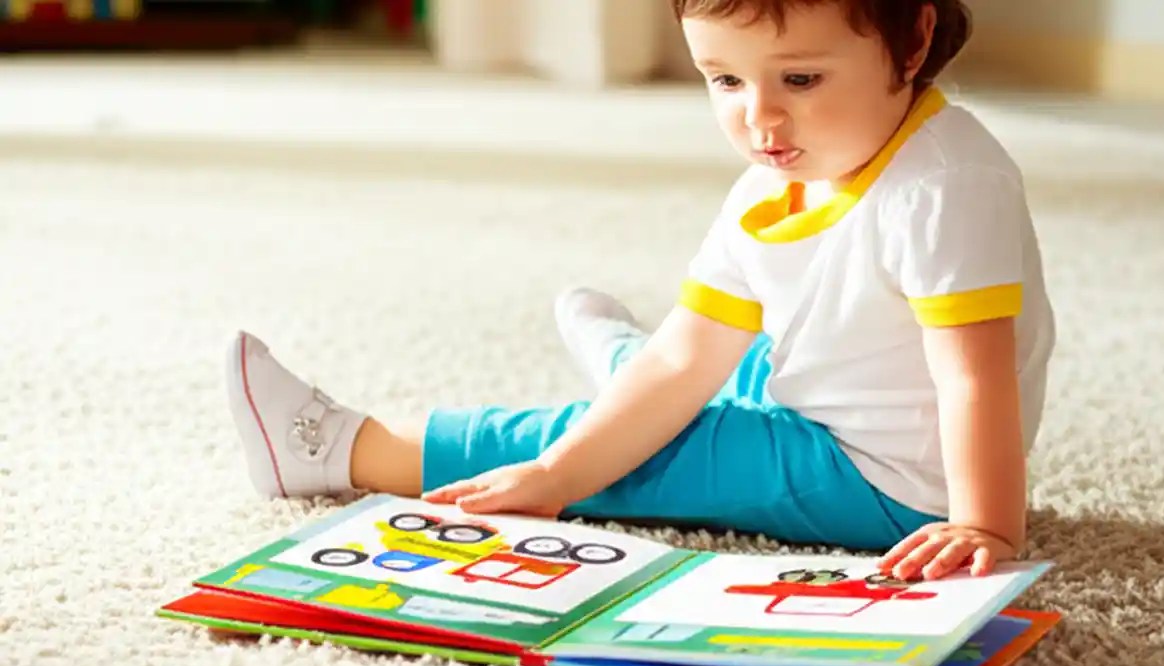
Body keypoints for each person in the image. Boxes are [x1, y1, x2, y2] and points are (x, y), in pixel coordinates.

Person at [226, 0, 1055, 582]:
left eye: (799, 80)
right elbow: (689, 356)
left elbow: (971, 377)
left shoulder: (944, 186)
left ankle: (335, 449)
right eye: (725, 81)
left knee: (632, 451)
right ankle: (616, 354)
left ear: (910, 42)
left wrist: (982, 523)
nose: (760, 122)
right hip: (828, 386)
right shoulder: (770, 186)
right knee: (684, 368)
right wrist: (648, 376)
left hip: (893, 481)